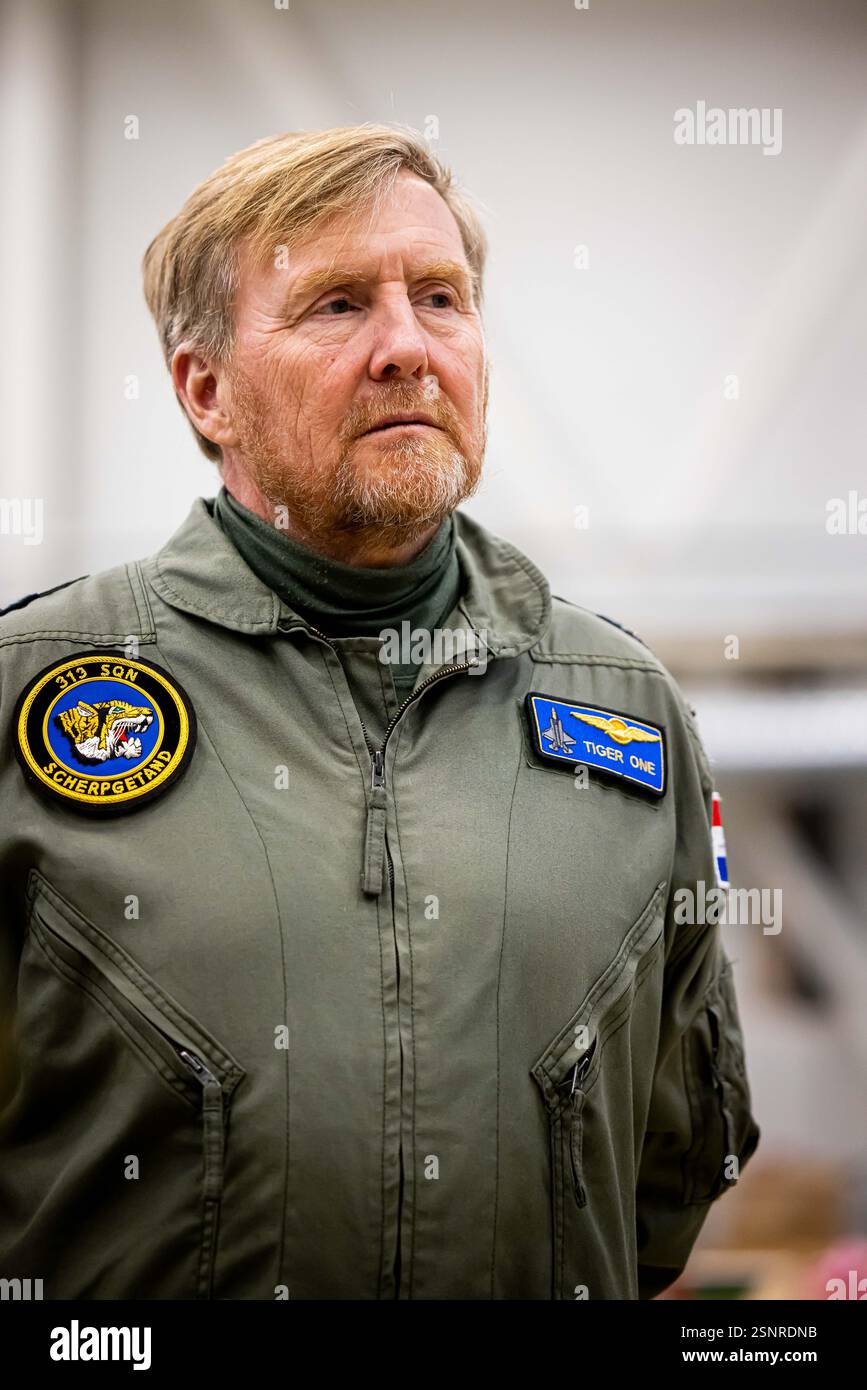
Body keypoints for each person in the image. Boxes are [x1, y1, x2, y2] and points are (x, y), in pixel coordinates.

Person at [0, 125, 759, 1300]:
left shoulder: (626, 710)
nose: (407, 347)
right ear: (207, 390)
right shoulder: (30, 694)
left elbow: (667, 1182)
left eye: (442, 298)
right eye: (338, 304)